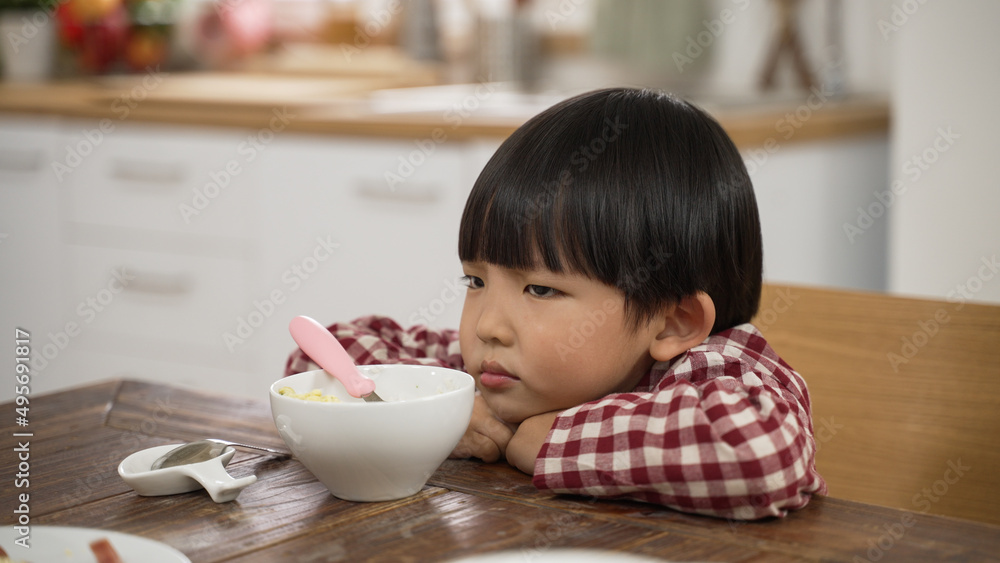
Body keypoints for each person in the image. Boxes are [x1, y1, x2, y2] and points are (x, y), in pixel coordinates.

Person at [285, 88, 826, 520]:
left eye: (540, 290)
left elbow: (761, 454)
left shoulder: (717, 370)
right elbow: (326, 360)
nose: (487, 326)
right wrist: (433, 416)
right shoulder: (500, 372)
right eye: (474, 281)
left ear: (672, 322)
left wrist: (557, 439)